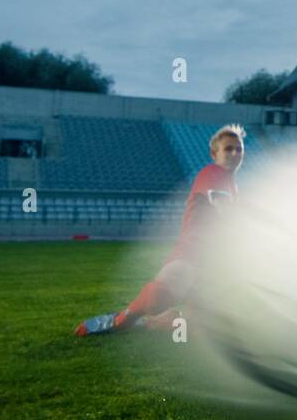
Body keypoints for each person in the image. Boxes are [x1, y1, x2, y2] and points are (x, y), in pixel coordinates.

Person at [74, 124, 244, 336]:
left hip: (211, 266)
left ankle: (152, 323)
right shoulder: (212, 172)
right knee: (157, 297)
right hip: (190, 255)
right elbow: (222, 206)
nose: (235, 153)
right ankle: (119, 319)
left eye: (239, 149)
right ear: (214, 154)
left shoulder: (234, 185)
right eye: (228, 148)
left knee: (202, 328)